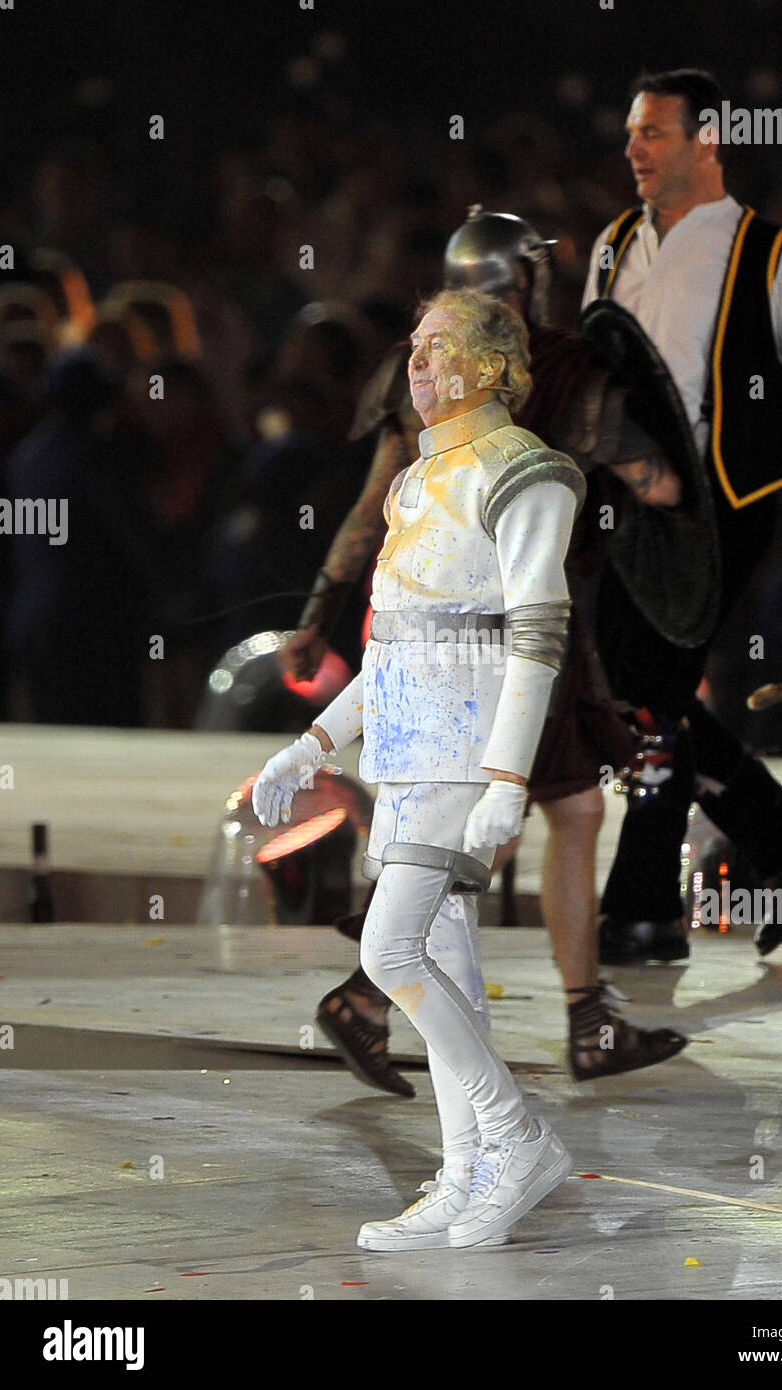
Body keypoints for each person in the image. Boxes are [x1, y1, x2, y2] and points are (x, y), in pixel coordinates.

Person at [284, 208, 695, 1093]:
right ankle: (378, 995)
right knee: (502, 822)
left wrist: (320, 609)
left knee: (572, 813)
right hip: (501, 656)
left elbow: (367, 511)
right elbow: (660, 484)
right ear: (529, 289)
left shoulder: (424, 395)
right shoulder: (569, 384)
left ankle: (573, 1024)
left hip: (441, 641)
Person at [254, 288, 580, 1250]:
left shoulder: (527, 474)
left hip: (460, 753)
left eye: (440, 348)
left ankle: (516, 1138)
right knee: (446, 968)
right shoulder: (416, 479)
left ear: (489, 365)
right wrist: (313, 744)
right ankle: (469, 1165)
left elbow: (537, 638)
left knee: (387, 954)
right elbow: (393, 649)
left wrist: (509, 781)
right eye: (415, 346)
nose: (419, 363)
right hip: (405, 749)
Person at [582, 69, 782, 962]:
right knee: (628, 694)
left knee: (655, 694)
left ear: (708, 141)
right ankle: (779, 834)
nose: (633, 148)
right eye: (631, 132)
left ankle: (642, 912)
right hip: (624, 506)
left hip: (725, 507)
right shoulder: (612, 243)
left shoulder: (769, 254)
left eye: (653, 133)